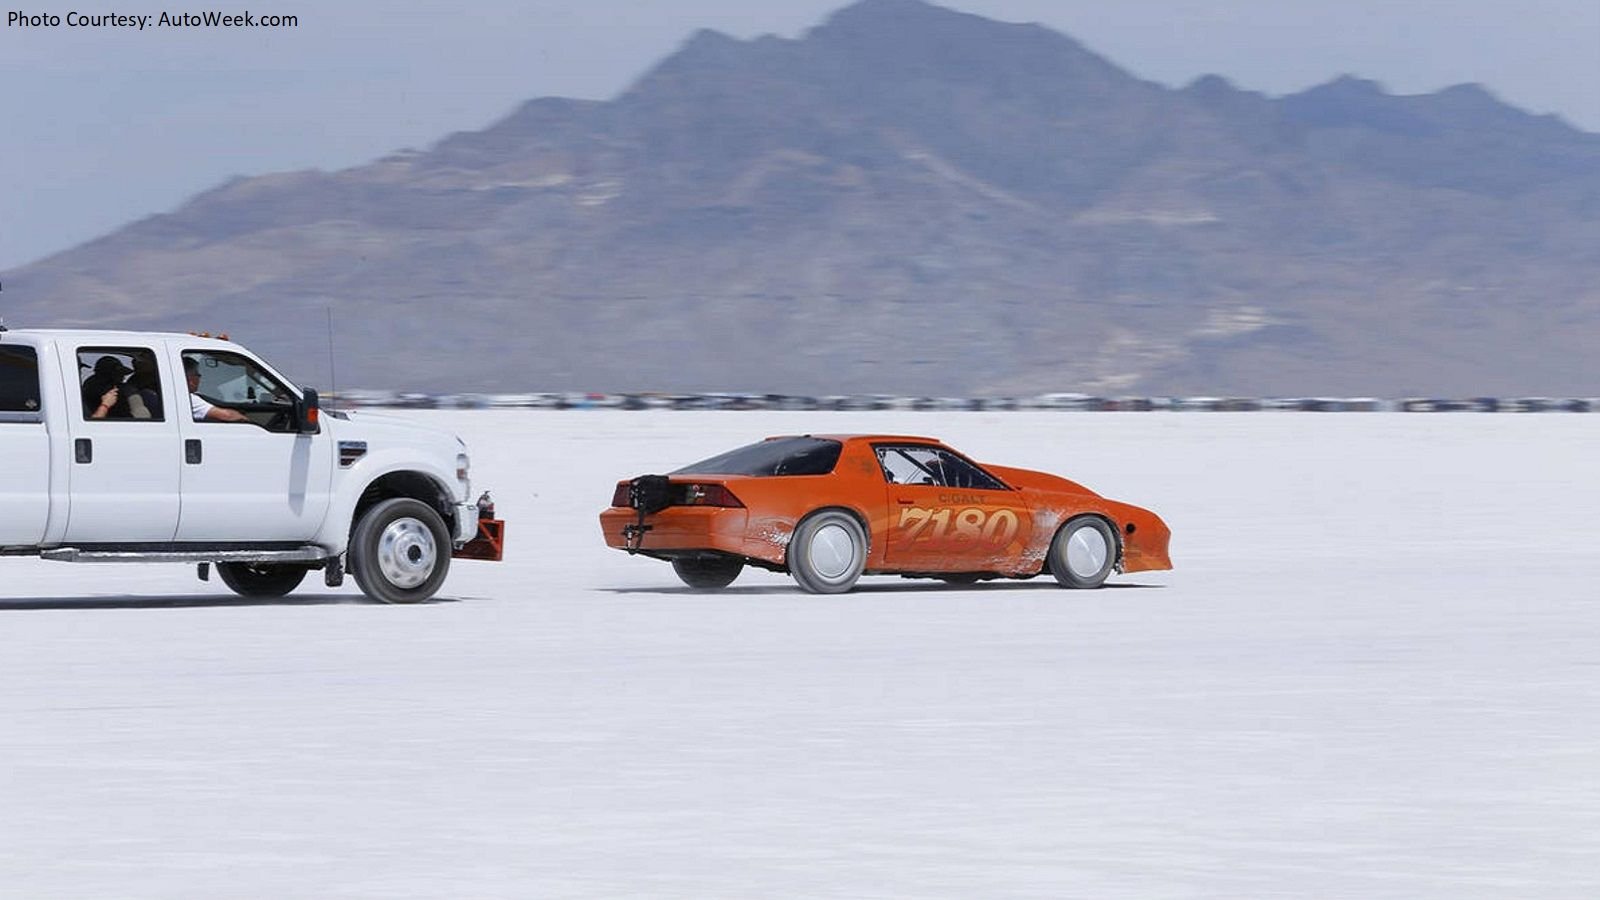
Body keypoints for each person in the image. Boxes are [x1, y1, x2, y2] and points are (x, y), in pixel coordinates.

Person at [183, 356, 250, 423]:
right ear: (190, 378)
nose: (199, 378)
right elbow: (226, 416)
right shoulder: (188, 399)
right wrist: (248, 421)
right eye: (197, 374)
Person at [125, 355, 163, 419]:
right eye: (136, 362)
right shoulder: (134, 380)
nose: (136, 363)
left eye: (141, 361)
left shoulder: (162, 377)